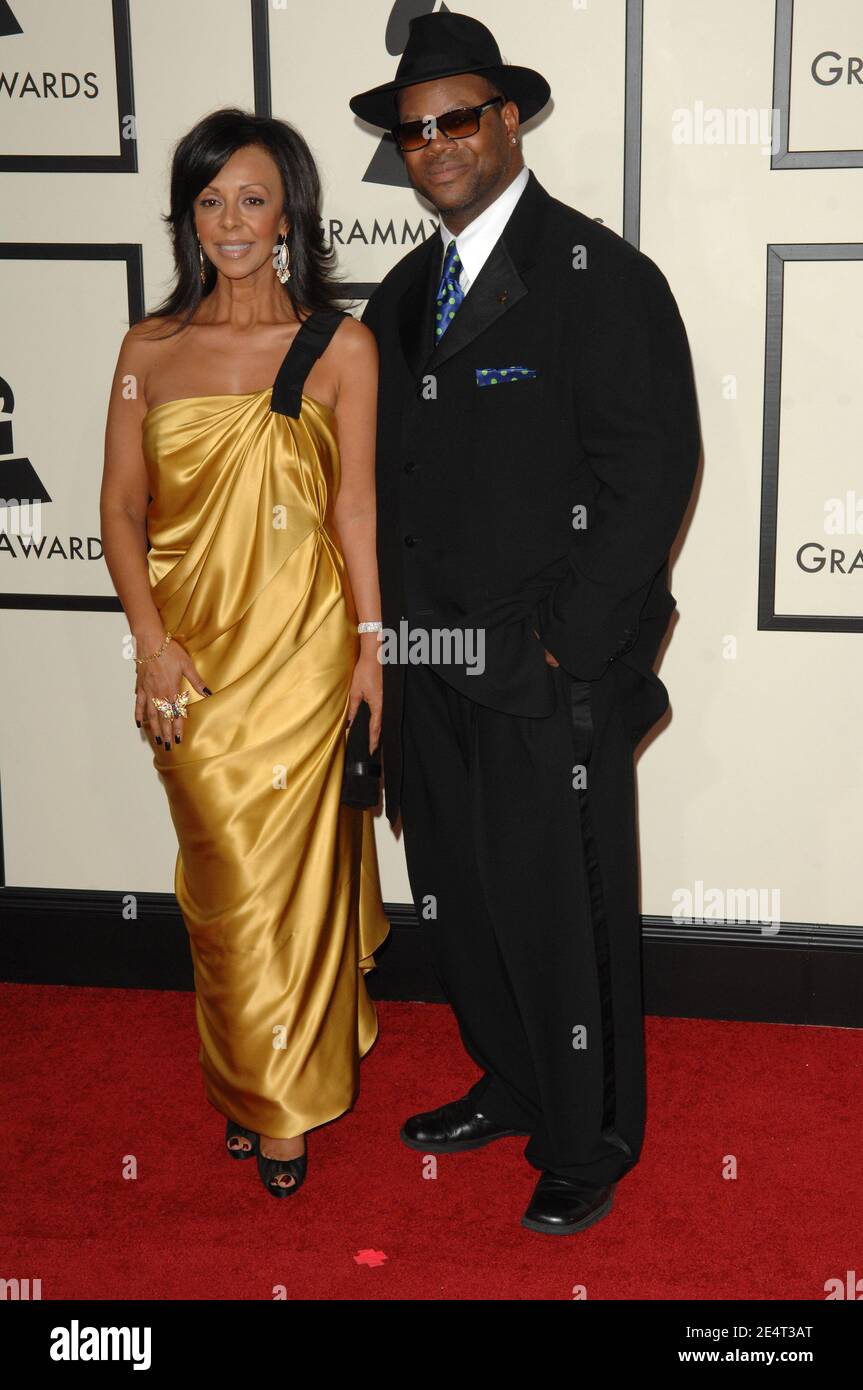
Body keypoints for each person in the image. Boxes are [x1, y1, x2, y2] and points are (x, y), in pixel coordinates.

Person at [352, 13, 700, 1234]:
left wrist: (567, 647)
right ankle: (510, 1077)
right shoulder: (400, 294)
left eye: (456, 116)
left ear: (509, 120)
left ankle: (587, 1135)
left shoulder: (598, 278)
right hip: (429, 668)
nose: (432, 143)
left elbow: (649, 473)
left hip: (546, 673)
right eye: (413, 129)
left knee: (566, 912)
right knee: (461, 896)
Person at [100, 107, 389, 1198]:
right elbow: (121, 509)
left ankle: (278, 1111)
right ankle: (246, 1073)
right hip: (193, 662)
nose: (229, 220)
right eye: (209, 198)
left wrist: (370, 650)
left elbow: (354, 509)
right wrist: (150, 644)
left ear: (288, 215)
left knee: (297, 889)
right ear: (187, 216)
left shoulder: (341, 347)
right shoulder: (148, 350)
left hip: (309, 656)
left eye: (251, 198)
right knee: (222, 884)